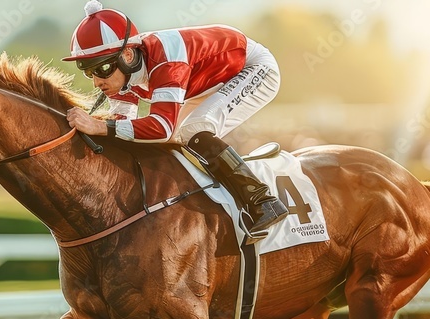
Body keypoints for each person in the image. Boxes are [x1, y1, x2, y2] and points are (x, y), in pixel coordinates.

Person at [64, 1, 289, 242]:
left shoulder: (167, 61)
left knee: (194, 130)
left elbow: (161, 127)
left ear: (127, 54)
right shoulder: (122, 76)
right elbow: (123, 128)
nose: (97, 82)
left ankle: (263, 201)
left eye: (103, 68)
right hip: (203, 82)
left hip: (251, 67)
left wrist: (99, 126)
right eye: (89, 72)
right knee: (173, 138)